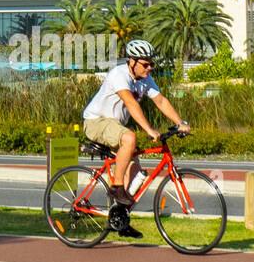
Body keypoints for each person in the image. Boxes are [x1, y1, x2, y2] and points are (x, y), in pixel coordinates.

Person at [81, 38, 190, 238]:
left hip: (115, 126)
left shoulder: (145, 79)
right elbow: (131, 103)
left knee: (138, 177)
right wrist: (149, 129)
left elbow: (160, 100)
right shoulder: (119, 75)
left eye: (151, 64)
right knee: (130, 137)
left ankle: (120, 220)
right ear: (132, 62)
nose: (149, 68)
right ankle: (116, 187)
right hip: (96, 121)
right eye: (145, 64)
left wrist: (180, 122)